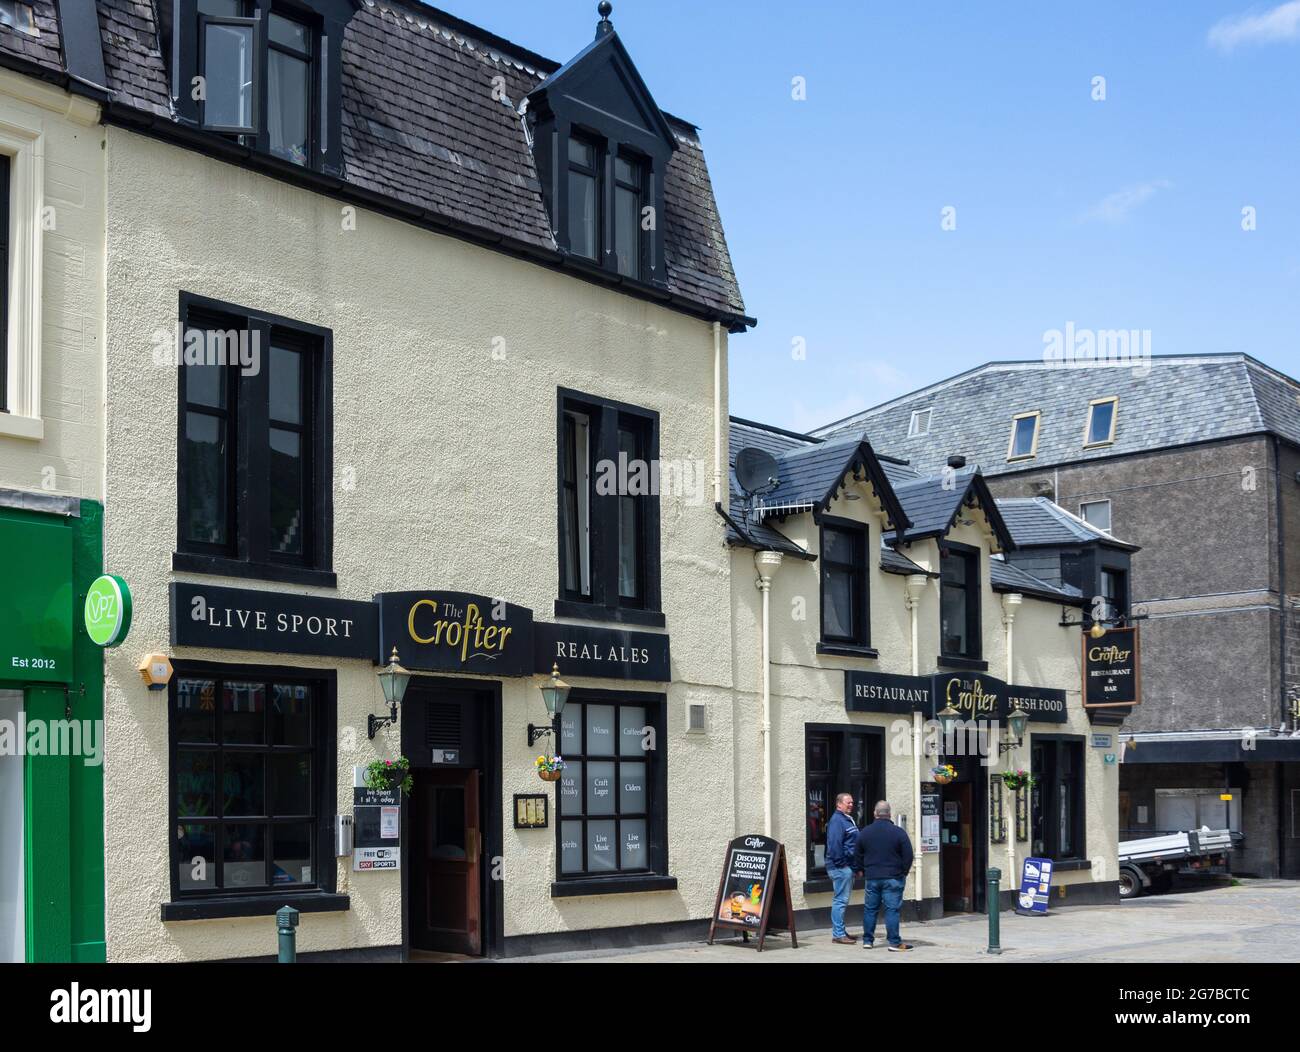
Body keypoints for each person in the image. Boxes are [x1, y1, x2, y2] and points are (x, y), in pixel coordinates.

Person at [854, 800, 914, 951]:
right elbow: (908, 855)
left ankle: (867, 940)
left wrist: (860, 869)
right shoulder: (899, 832)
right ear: (889, 813)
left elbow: (857, 853)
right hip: (893, 877)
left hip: (872, 877)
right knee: (892, 910)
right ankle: (894, 942)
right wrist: (904, 872)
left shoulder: (865, 832)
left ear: (875, 813)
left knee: (870, 909)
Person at [824, 792, 858, 945]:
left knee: (842, 900)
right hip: (840, 867)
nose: (851, 805)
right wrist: (842, 864)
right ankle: (838, 934)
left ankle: (841, 931)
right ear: (839, 804)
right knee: (840, 900)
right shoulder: (837, 820)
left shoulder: (846, 819)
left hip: (845, 866)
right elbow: (835, 844)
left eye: (852, 802)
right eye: (848, 802)